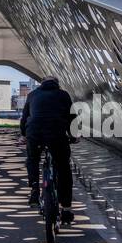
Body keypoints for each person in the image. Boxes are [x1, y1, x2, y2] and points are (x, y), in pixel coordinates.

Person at [19, 77, 75, 224]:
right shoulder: (63, 95)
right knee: (63, 168)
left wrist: (24, 135)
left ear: (41, 84)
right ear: (57, 84)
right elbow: (71, 118)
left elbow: (24, 118)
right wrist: (74, 136)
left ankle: (35, 189)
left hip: (34, 134)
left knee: (32, 160)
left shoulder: (32, 95)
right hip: (56, 135)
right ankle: (67, 209)